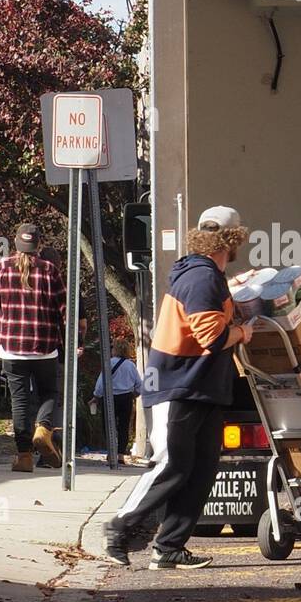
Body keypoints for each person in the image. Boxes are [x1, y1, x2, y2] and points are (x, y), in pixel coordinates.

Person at [102, 206, 253, 570]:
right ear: (232, 240)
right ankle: (119, 527)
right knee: (170, 466)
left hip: (200, 387)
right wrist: (243, 333)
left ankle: (169, 547)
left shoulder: (207, 276)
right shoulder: (202, 278)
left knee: (199, 471)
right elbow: (211, 336)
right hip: (179, 386)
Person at [0, 223, 67, 473]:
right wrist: (67, 340)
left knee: (19, 401)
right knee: (49, 393)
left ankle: (24, 458)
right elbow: (63, 309)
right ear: (38, 245)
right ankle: (43, 429)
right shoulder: (50, 270)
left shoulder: (1, 268)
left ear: (15, 242)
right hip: (44, 345)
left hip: (11, 345)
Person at [90, 336, 143, 454]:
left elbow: (100, 383)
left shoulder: (109, 363)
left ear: (115, 350)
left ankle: (111, 451)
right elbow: (139, 385)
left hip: (110, 398)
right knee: (123, 426)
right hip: (126, 398)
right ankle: (120, 454)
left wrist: (96, 396)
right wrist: (133, 395)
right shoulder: (131, 365)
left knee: (108, 426)